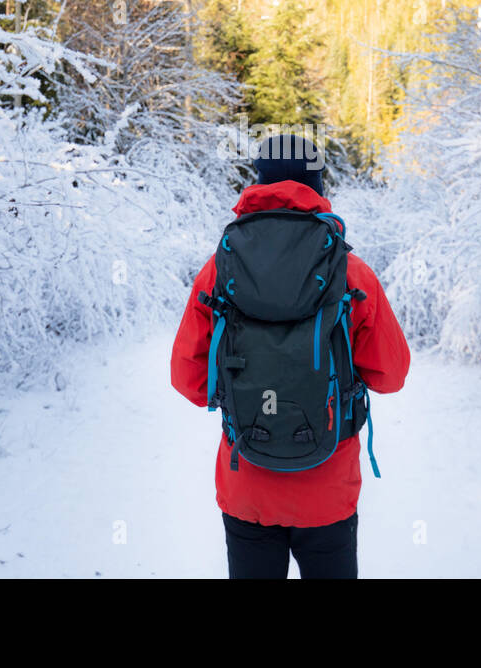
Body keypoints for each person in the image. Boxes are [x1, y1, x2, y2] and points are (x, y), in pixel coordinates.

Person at [170, 134, 410, 578]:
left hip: (247, 480)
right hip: (329, 489)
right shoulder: (350, 271)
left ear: (258, 182)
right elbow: (390, 374)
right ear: (318, 184)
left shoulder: (218, 268)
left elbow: (188, 378)